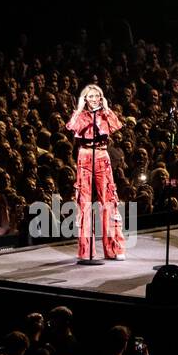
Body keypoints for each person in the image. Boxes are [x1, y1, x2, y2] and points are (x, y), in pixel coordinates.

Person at [66, 84, 126, 263]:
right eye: (90, 96)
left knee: (108, 200)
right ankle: (86, 251)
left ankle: (113, 248)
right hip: (85, 156)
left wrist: (106, 109)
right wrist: (78, 108)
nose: (94, 99)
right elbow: (72, 126)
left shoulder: (105, 113)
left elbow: (116, 125)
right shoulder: (81, 115)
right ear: (85, 98)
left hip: (101, 155)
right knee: (84, 202)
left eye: (97, 96)